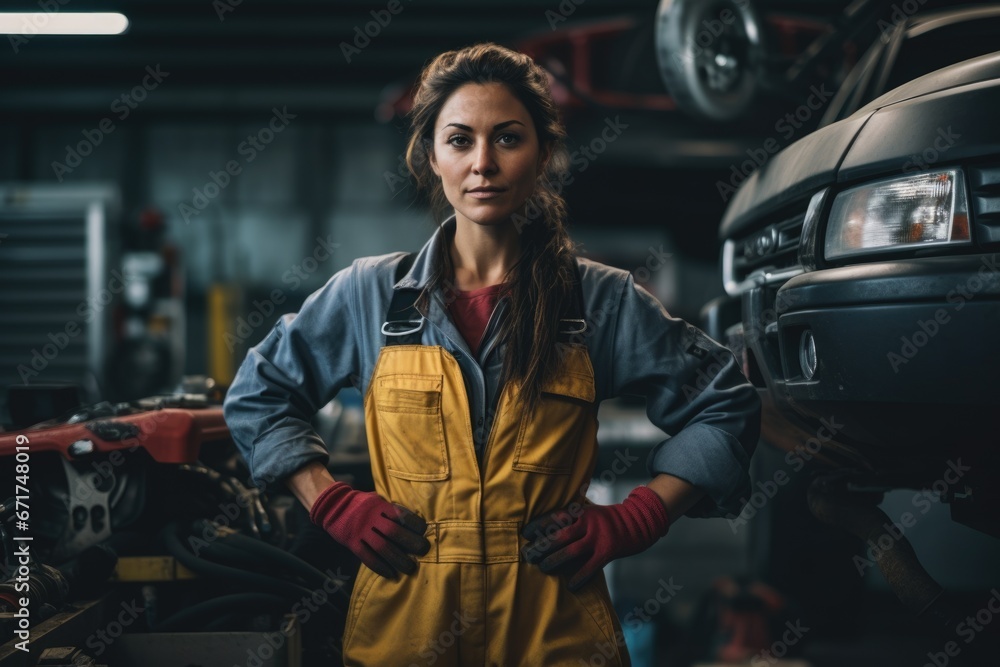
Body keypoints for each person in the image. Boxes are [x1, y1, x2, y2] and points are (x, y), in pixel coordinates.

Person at [223, 42, 760, 666]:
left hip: (555, 633)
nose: (483, 163)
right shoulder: (370, 296)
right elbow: (258, 395)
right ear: (431, 157)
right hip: (406, 630)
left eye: (507, 138)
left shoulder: (599, 301)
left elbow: (725, 405)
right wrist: (330, 500)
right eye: (459, 140)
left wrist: (635, 520)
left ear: (543, 155)